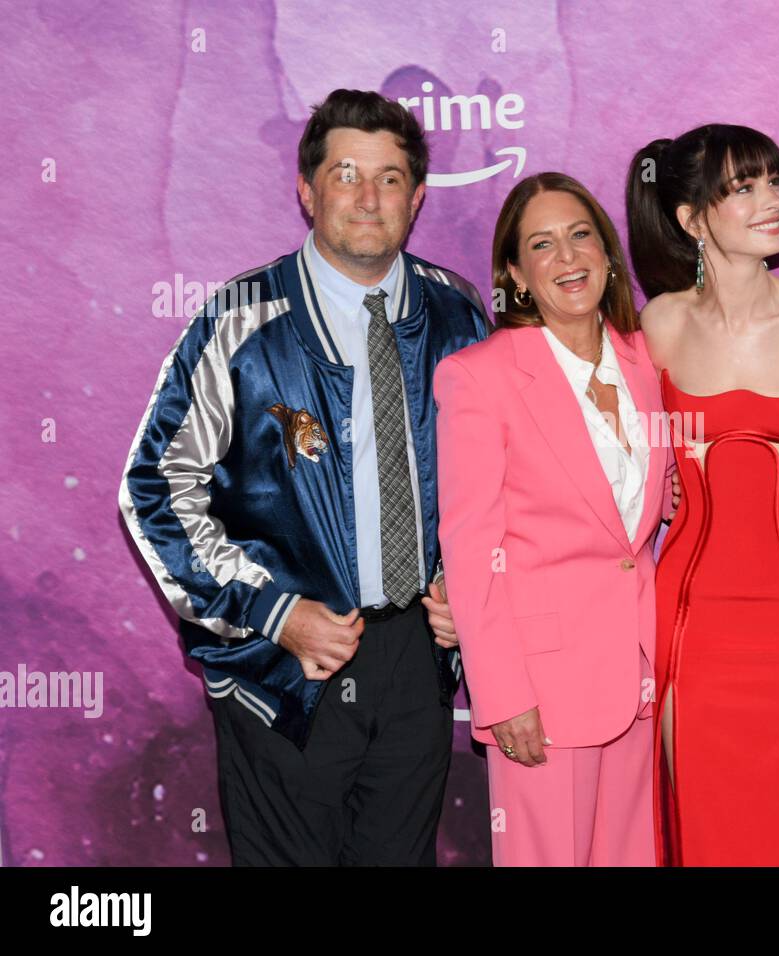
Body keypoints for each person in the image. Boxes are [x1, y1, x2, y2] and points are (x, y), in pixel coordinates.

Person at [118, 89, 487, 865]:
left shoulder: (458, 313)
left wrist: (473, 585)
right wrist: (273, 611)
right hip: (285, 664)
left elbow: (500, 482)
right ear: (306, 191)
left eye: (390, 178)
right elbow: (154, 488)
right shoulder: (240, 317)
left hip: (418, 661)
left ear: (418, 197)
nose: (368, 196)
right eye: (346, 173)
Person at [626, 124, 779, 865]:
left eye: (776, 181)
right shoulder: (659, 325)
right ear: (691, 219)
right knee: (700, 825)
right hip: (689, 621)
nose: (774, 201)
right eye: (745, 188)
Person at [434, 172, 674, 866]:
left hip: (643, 672)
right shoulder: (479, 376)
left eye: (580, 236)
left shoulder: (646, 361)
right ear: (515, 274)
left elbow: (649, 506)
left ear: (607, 252)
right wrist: (502, 693)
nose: (567, 258)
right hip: (541, 689)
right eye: (542, 245)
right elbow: (471, 547)